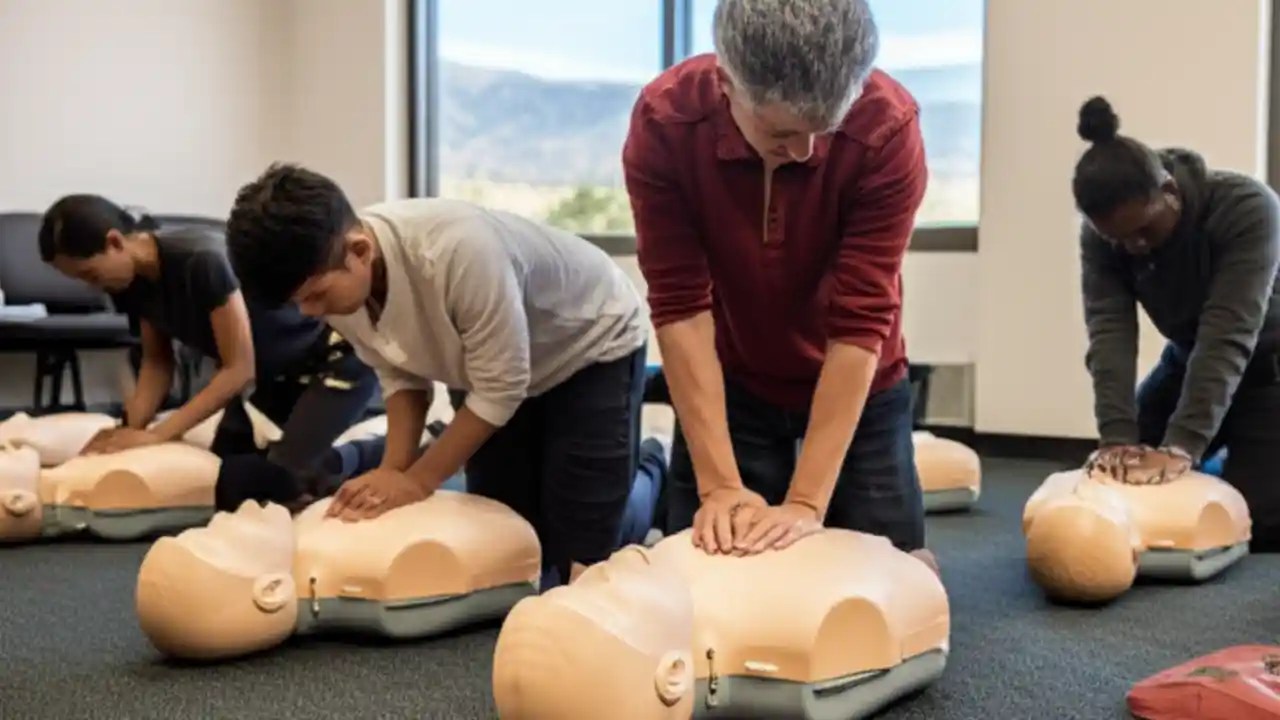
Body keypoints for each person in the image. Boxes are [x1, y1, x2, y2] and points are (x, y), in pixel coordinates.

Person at [223, 164, 650, 586]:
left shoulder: (458, 250)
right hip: (488, 366)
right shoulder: (340, 287)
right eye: (299, 303)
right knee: (508, 529)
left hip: (589, 341)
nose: (311, 313)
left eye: (315, 296)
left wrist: (421, 480)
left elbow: (501, 390)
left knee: (582, 544)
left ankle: (652, 471)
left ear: (360, 250)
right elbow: (400, 375)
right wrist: (394, 469)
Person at [621, 0, 930, 559]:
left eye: (824, 129)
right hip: (733, 378)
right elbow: (680, 304)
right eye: (784, 131)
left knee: (893, 571)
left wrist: (807, 506)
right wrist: (718, 487)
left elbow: (860, 319)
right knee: (707, 567)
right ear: (725, 83)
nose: (807, 151)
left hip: (862, 377)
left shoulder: (887, 127)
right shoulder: (664, 123)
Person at [37, 195, 378, 509]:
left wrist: (157, 435)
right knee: (225, 480)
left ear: (114, 242)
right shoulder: (129, 284)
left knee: (282, 483)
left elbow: (237, 369)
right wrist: (126, 431)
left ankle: (375, 452)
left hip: (333, 363)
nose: (92, 286)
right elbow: (157, 363)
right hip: (274, 375)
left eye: (90, 274)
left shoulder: (200, 259)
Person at [1072, 96, 1280, 550]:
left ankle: (1215, 463)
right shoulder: (1104, 236)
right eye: (1120, 239)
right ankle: (1207, 459)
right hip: (1187, 360)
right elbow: (1109, 333)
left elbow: (1229, 334)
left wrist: (1183, 445)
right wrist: (1117, 438)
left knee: (1254, 521)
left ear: (1169, 190)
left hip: (1268, 366)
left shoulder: (1247, 207)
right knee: (1115, 480)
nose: (1136, 247)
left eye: (1145, 231)